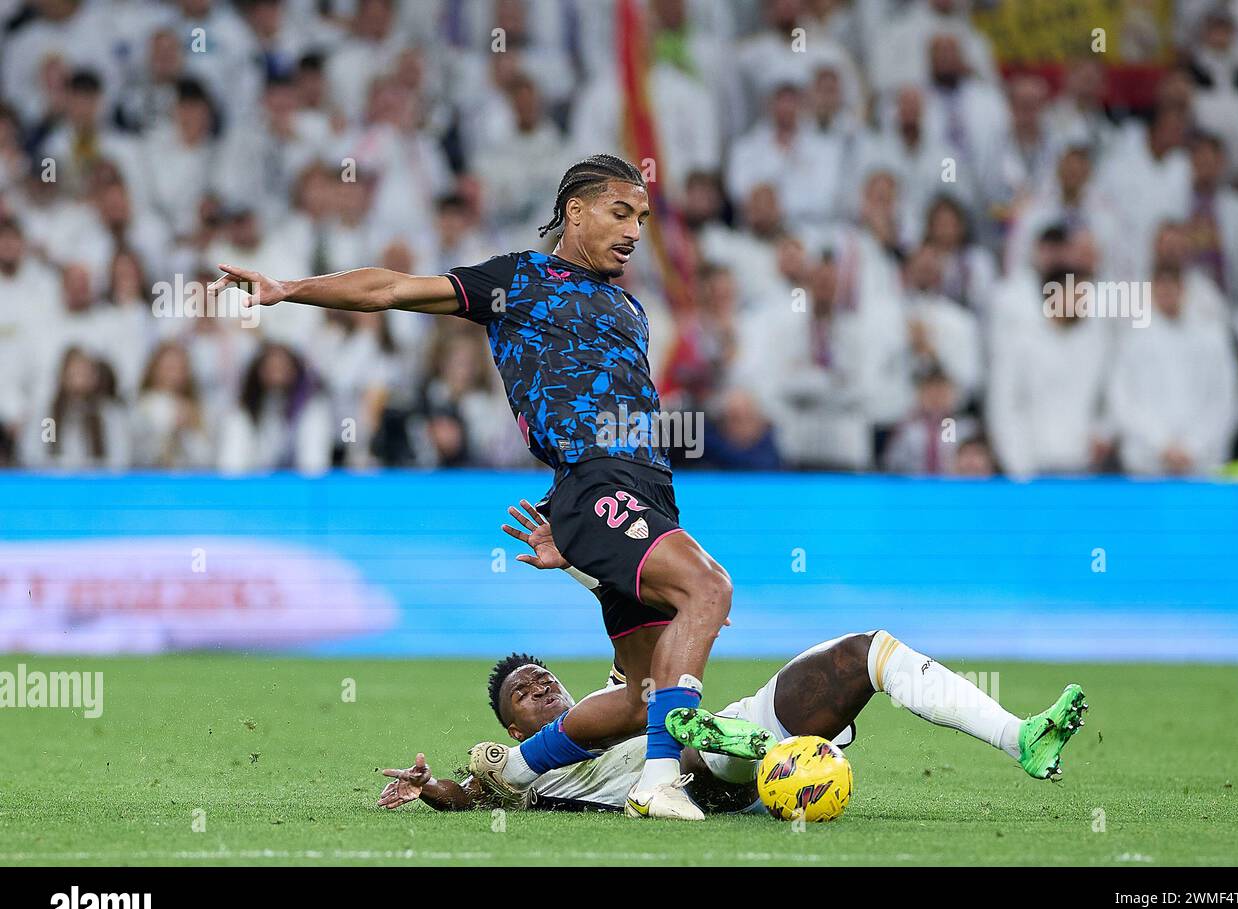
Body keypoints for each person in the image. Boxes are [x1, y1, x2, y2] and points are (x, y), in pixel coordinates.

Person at [210, 154, 738, 820]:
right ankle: (660, 780)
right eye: (619, 212)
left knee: (640, 695)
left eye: (641, 217)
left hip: (649, 492)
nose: (634, 230)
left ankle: (506, 776)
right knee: (709, 588)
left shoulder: (630, 305)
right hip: (594, 486)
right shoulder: (520, 279)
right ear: (575, 211)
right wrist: (290, 289)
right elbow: (393, 289)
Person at [376, 505, 1088, 815]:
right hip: (707, 775)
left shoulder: (613, 692)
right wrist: (430, 786)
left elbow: (636, 621)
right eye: (525, 697)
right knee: (655, 709)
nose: (541, 690)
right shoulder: (516, 774)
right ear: (511, 729)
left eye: (543, 680)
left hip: (734, 739)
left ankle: (1018, 736)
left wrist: (581, 566)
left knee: (865, 652)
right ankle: (687, 756)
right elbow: (469, 792)